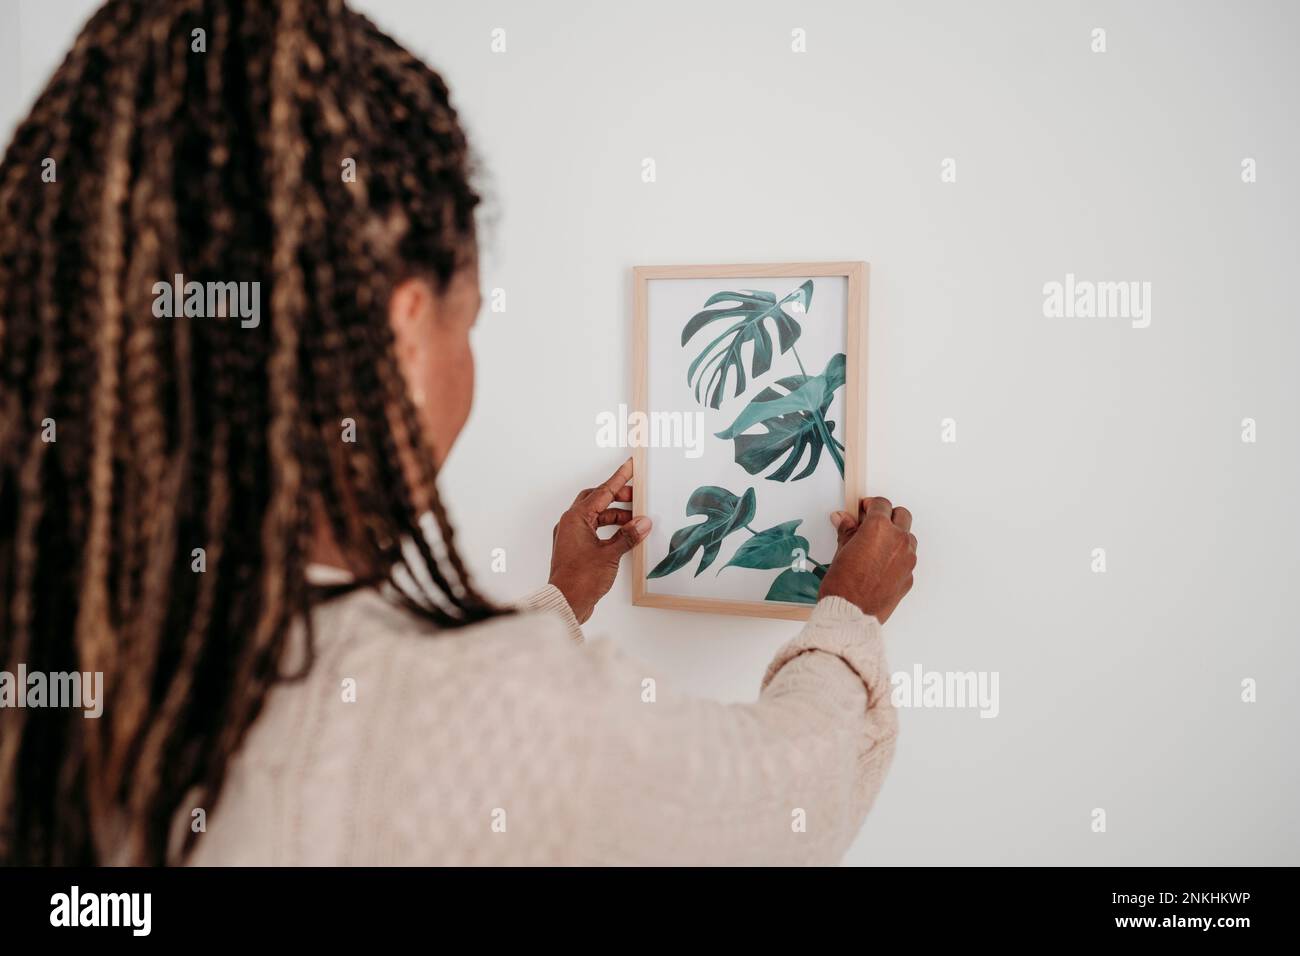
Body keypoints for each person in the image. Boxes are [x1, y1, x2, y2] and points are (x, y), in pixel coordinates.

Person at [0, 0, 917, 866]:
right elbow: (780, 800)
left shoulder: (56, 645)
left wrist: (560, 597)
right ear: (404, 333)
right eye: (466, 321)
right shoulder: (480, 717)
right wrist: (848, 619)